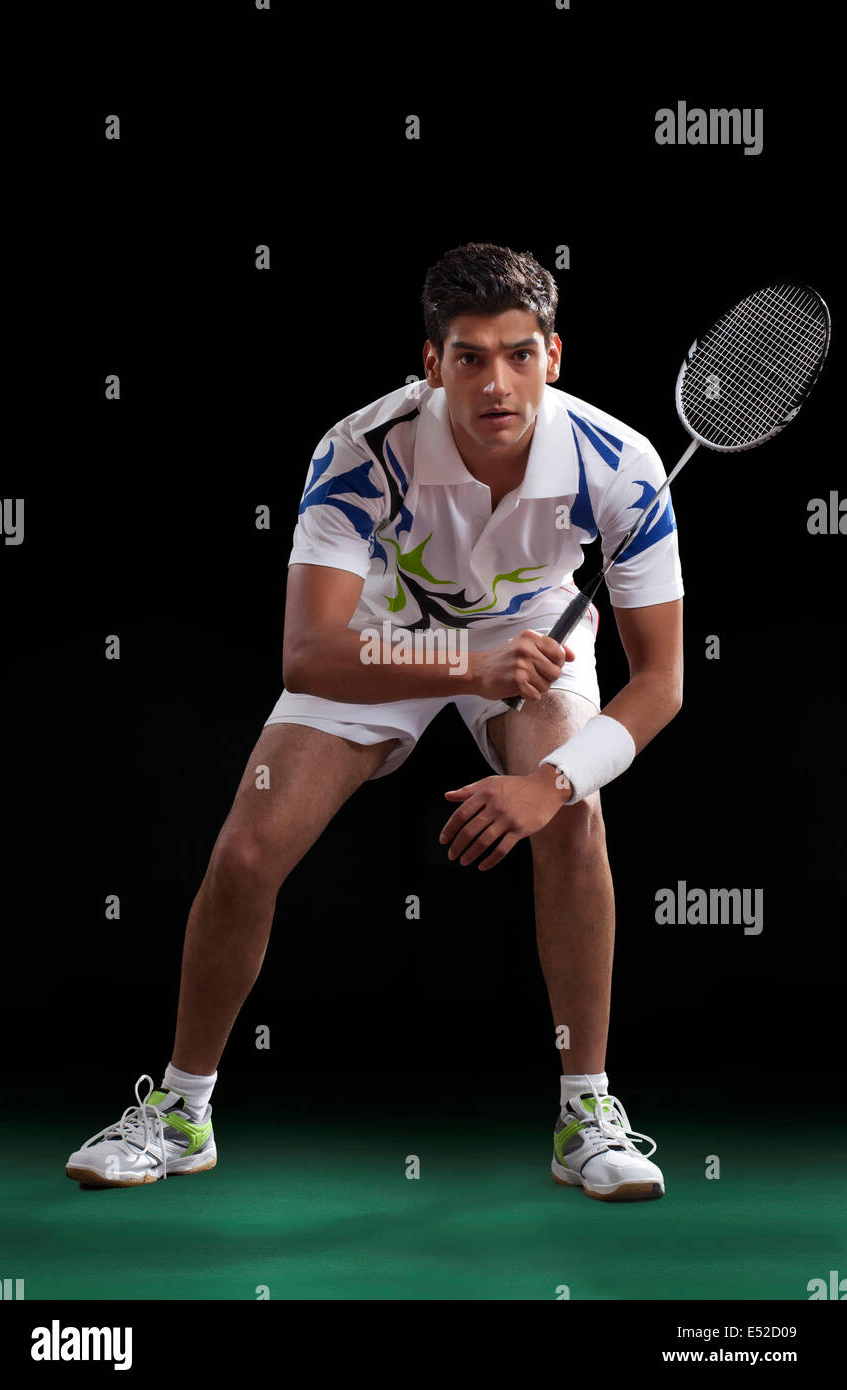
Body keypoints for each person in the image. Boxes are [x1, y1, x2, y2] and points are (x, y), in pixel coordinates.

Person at [66, 242, 684, 1201]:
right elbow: (306, 653)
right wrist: (467, 664)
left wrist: (550, 778)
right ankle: (183, 1111)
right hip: (382, 637)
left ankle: (586, 1113)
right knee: (244, 851)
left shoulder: (622, 463)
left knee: (575, 815)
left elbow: (663, 682)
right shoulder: (361, 451)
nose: (497, 383)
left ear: (554, 358)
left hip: (532, 635)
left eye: (520, 354)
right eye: (470, 357)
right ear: (431, 363)